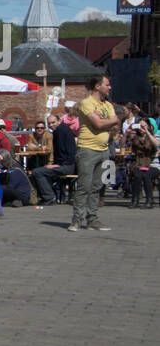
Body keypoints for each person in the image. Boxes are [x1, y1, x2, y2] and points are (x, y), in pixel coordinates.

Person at [70, 76, 119, 232]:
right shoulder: (86, 103)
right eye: (107, 84)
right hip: (87, 149)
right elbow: (97, 123)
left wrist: (107, 122)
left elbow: (116, 122)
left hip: (104, 149)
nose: (109, 87)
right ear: (98, 86)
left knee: (97, 186)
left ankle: (92, 219)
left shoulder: (107, 105)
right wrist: (108, 122)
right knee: (84, 186)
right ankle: (77, 220)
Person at [33, 112, 76, 207]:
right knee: (43, 170)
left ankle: (49, 197)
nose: (51, 125)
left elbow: (65, 153)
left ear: (59, 120)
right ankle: (50, 195)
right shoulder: (63, 130)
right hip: (67, 164)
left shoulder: (60, 131)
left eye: (53, 122)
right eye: (49, 124)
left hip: (67, 166)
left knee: (37, 172)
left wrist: (56, 164)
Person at [126, 121, 158, 208]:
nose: (141, 128)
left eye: (144, 125)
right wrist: (128, 131)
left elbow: (156, 145)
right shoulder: (136, 138)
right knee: (137, 174)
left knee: (146, 175)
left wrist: (147, 131)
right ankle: (135, 200)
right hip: (139, 164)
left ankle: (149, 200)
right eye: (140, 125)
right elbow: (127, 145)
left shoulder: (153, 136)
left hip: (153, 164)